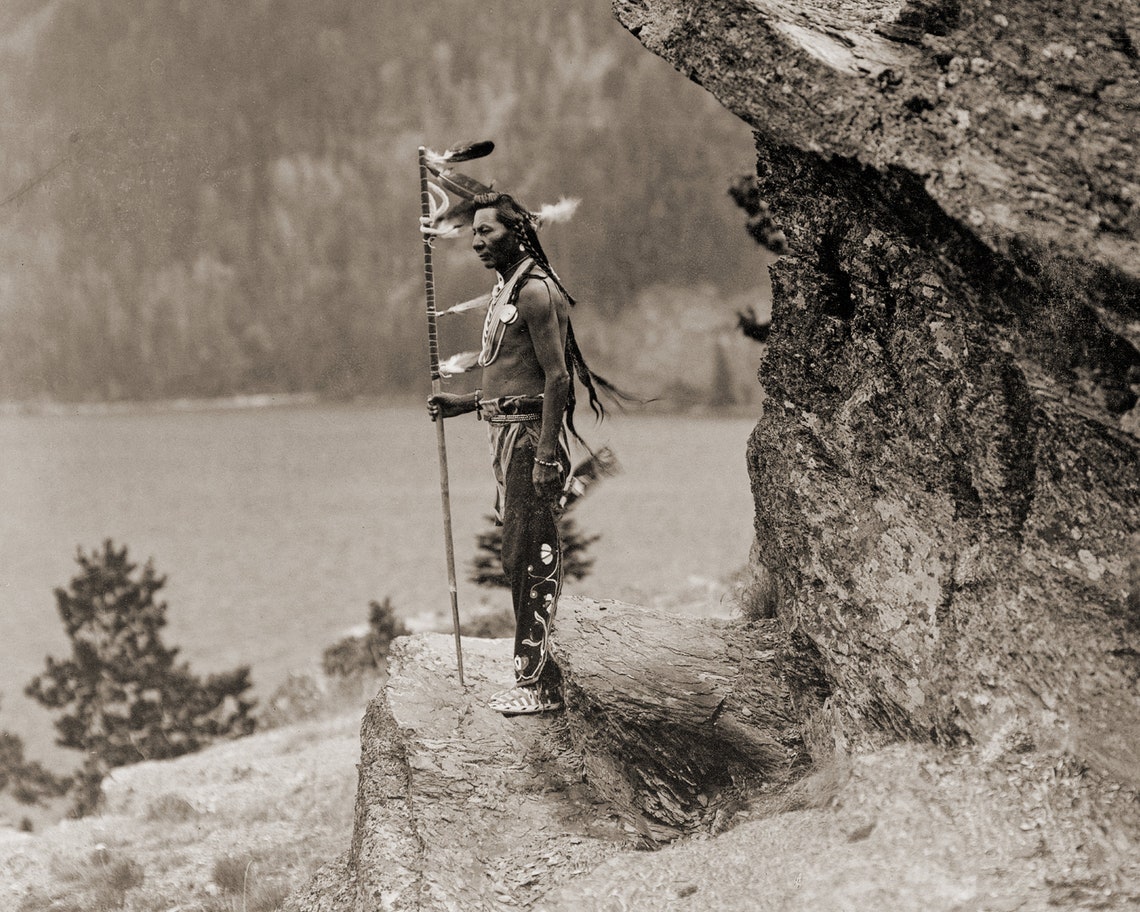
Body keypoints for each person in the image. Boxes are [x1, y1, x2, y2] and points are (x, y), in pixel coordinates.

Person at [427, 191, 611, 715]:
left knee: (528, 554)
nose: (478, 241)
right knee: (520, 554)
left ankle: (541, 684)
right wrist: (463, 404)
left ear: (518, 231)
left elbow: (556, 377)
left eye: (488, 231)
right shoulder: (508, 287)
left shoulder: (534, 291)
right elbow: (513, 373)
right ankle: (534, 675)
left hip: (531, 439)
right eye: (474, 233)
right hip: (510, 437)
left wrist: (548, 455)